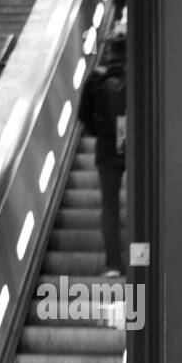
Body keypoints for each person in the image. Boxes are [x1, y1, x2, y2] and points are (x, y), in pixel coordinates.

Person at [78, 32, 127, 277]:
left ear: (108, 52)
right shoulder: (138, 75)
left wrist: (98, 131)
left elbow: (82, 115)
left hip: (106, 149)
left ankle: (113, 265)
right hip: (135, 148)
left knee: (110, 207)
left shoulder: (96, 78)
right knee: (140, 202)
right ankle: (144, 260)